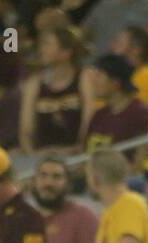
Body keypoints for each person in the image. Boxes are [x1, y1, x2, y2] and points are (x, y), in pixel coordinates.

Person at [20, 26, 94, 155]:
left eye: (47, 44)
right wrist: (32, 155)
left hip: (75, 155)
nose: (42, 50)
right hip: (41, 155)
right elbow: (25, 131)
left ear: (66, 52)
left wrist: (78, 150)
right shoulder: (34, 84)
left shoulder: (84, 78)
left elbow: (88, 123)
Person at [31, 157, 99, 243]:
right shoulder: (23, 218)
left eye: (56, 177)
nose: (49, 183)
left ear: (68, 184)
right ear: (34, 181)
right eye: (43, 176)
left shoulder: (83, 217)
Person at [83, 53, 148, 153]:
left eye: (99, 76)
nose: (94, 82)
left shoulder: (142, 115)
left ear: (115, 83)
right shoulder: (99, 115)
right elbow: (85, 151)